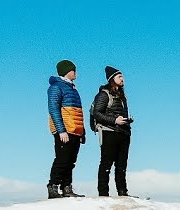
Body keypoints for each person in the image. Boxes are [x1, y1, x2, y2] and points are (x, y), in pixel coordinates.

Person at [91, 66, 133, 197]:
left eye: (122, 76)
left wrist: (126, 121)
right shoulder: (104, 94)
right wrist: (115, 120)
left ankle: (123, 192)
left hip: (123, 132)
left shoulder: (122, 96)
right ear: (112, 79)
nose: (122, 79)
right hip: (109, 132)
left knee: (122, 164)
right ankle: (103, 194)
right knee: (106, 163)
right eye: (119, 76)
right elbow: (97, 113)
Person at [46, 59, 86, 198]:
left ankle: (67, 187)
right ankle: (53, 186)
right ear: (66, 71)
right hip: (64, 130)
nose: (76, 72)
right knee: (62, 159)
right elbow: (54, 109)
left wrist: (82, 131)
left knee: (71, 160)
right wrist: (61, 130)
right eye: (73, 69)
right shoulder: (56, 87)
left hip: (75, 129)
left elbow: (78, 111)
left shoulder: (72, 88)